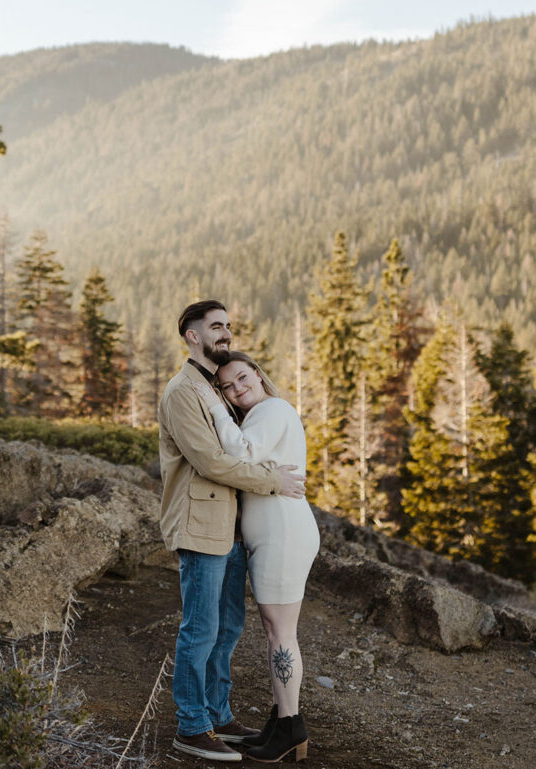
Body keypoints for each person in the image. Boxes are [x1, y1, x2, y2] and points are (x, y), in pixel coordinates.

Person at [159, 300, 306, 763]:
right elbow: (213, 461)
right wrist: (272, 481)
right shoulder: (185, 392)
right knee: (200, 629)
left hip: (232, 528)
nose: (225, 333)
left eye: (228, 326)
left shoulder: (215, 388)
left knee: (226, 629)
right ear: (192, 336)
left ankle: (218, 715)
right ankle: (192, 726)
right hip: (201, 527)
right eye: (215, 326)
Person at [191, 351, 318, 764]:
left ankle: (291, 725)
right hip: (276, 534)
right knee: (274, 629)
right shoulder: (262, 413)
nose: (237, 389)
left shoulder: (272, 409)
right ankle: (281, 720)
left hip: (282, 534)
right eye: (226, 387)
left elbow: (242, 452)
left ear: (259, 376)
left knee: (281, 633)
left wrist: (212, 406)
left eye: (242, 378)